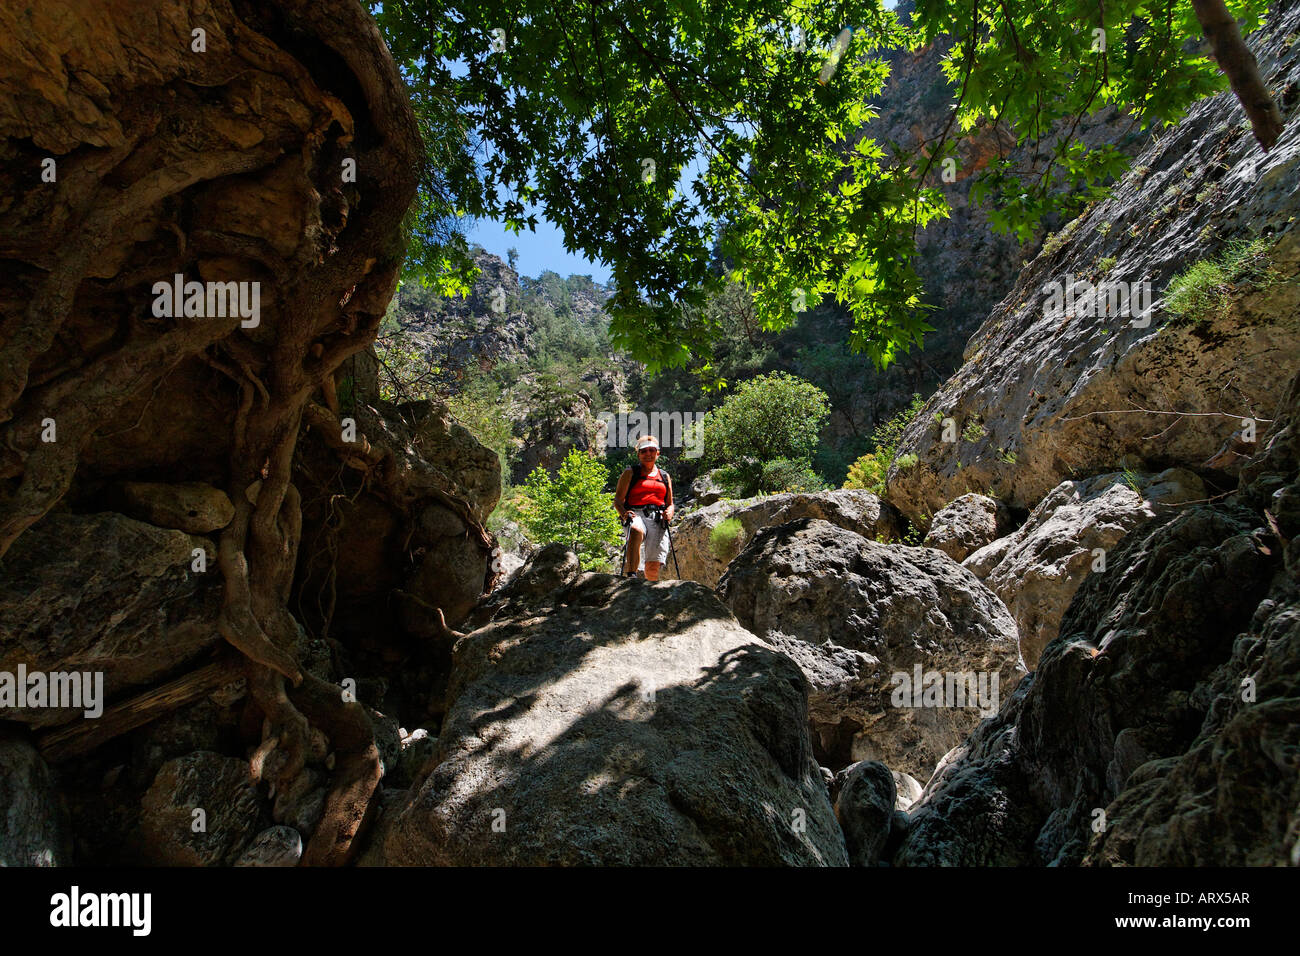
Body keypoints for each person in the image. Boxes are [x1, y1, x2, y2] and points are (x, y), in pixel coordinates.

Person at [613, 434, 674, 580]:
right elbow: (618, 500)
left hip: (658, 518)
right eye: (644, 451)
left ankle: (650, 595)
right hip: (635, 514)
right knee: (635, 529)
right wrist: (624, 514)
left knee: (653, 567)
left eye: (651, 450)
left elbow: (670, 503)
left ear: (657, 453)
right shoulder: (630, 473)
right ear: (638, 454)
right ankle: (631, 576)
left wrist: (670, 512)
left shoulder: (664, 476)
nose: (648, 454)